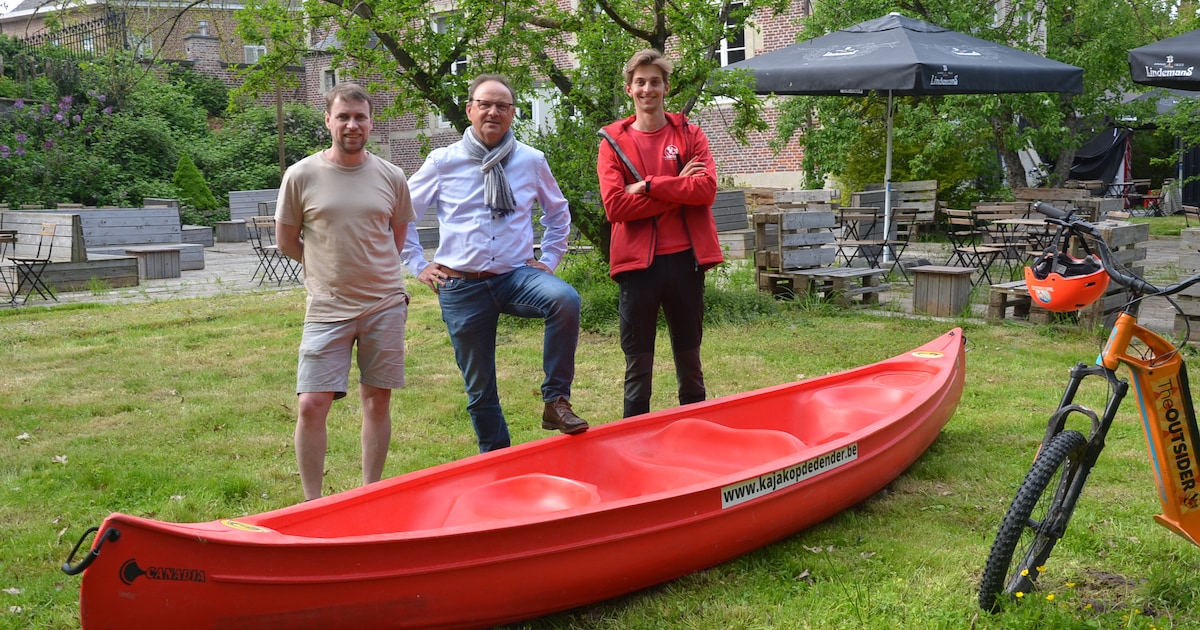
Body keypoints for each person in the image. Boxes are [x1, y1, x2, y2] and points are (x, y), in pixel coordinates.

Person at [402, 73, 588, 453]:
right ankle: (497, 458)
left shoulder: (531, 161)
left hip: (516, 275)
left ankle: (556, 401)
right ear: (470, 110)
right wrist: (416, 262)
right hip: (460, 285)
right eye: (485, 104)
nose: (493, 112)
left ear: (513, 114)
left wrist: (550, 257)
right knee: (479, 385)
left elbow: (557, 212)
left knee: (565, 300)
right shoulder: (443, 161)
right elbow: (401, 211)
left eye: (502, 106)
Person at [275, 82, 416, 501]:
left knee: (376, 400)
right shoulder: (300, 175)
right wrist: (327, 269)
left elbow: (398, 239)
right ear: (328, 121)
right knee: (311, 404)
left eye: (360, 117)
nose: (352, 125)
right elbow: (287, 241)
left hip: (385, 303)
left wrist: (371, 273)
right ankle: (312, 503)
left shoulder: (392, 176)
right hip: (327, 308)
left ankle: (369, 494)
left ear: (371, 123)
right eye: (343, 116)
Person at [597, 49, 723, 418]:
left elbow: (706, 191)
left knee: (690, 360)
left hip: (686, 260)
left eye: (655, 82)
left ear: (666, 88)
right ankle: (635, 440)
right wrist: (676, 189)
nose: (647, 89)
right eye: (640, 82)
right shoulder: (613, 142)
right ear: (629, 89)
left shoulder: (689, 133)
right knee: (638, 365)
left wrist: (649, 186)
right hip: (638, 266)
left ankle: (698, 431)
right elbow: (615, 208)